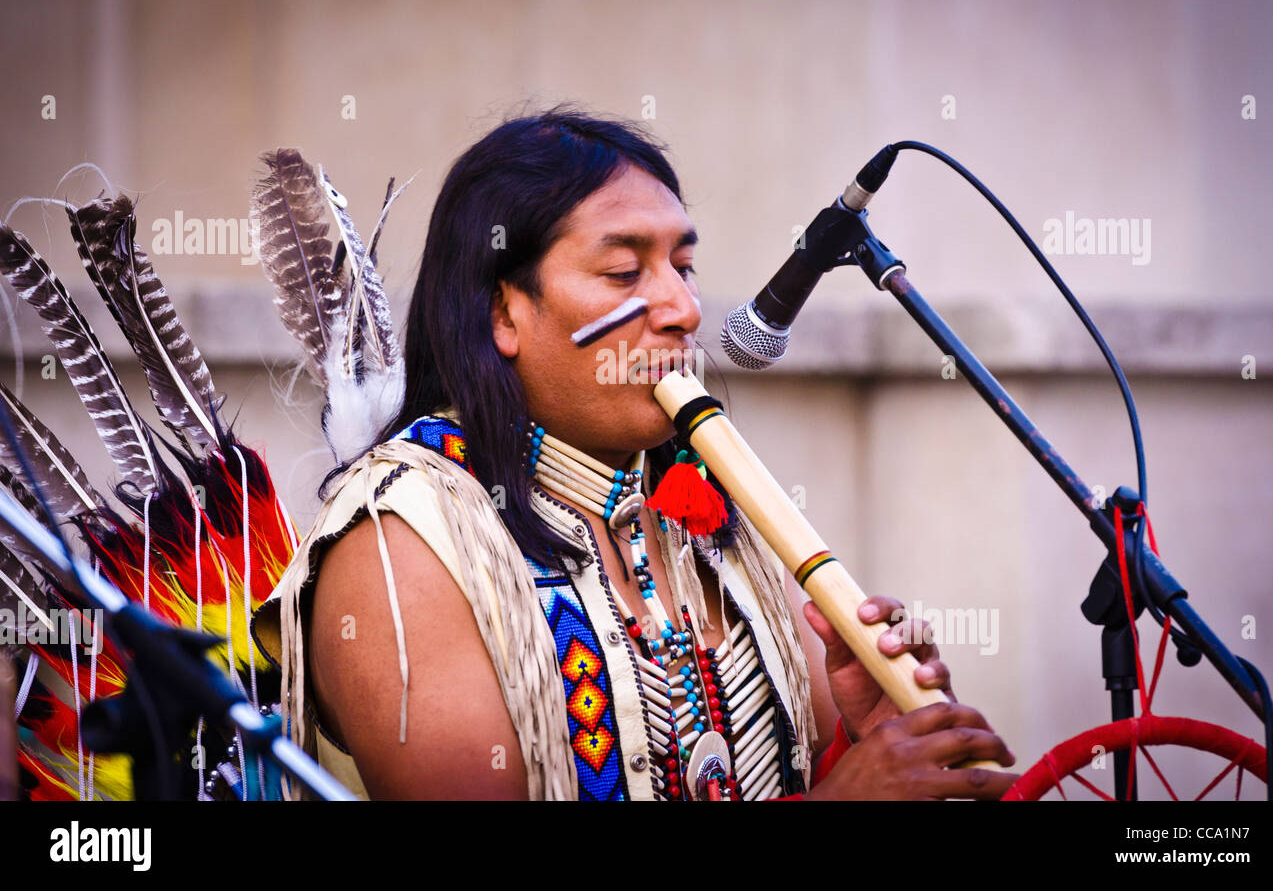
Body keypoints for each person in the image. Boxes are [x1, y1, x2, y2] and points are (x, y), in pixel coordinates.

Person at [251, 104, 1019, 800]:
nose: (683, 310)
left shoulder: (715, 513)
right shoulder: (402, 541)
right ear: (503, 312)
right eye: (625, 273)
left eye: (683, 268)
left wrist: (866, 733)